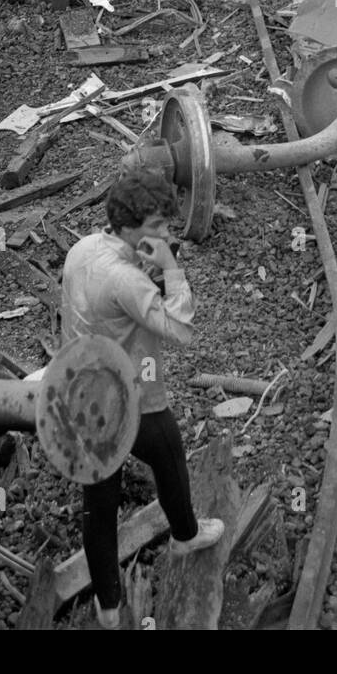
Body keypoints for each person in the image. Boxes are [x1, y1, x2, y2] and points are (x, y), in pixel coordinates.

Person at [63, 169, 224, 629]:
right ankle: (185, 536)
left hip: (82, 390)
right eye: (159, 227)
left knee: (99, 504)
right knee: (170, 458)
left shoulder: (83, 249)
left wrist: (143, 264)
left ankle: (109, 606)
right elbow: (181, 330)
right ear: (131, 227)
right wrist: (171, 270)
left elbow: (98, 304)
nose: (168, 234)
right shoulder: (128, 282)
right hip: (133, 397)